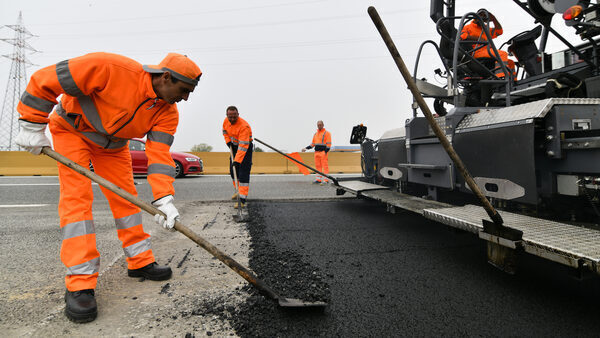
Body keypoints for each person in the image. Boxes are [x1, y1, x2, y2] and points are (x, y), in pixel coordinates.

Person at [15, 52, 202, 323]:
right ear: (165, 77)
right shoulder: (111, 68)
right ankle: (80, 283)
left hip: (114, 148)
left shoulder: (167, 113)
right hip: (72, 131)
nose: (185, 98)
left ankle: (139, 262)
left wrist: (164, 198)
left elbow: (160, 157)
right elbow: (46, 79)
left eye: (190, 93)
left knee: (127, 200)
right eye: (184, 90)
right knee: (77, 199)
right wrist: (31, 122)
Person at [460, 9, 515, 79]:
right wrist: (478, 39)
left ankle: (513, 81)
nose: (482, 17)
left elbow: (499, 31)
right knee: (502, 54)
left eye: (484, 16)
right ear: (476, 16)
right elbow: (462, 36)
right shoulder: (468, 27)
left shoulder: (485, 28)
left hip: (487, 51)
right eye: (480, 15)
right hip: (477, 51)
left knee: (510, 62)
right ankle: (501, 78)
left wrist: (494, 19)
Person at [222, 106, 253, 208]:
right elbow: (225, 132)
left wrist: (237, 161)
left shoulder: (244, 126)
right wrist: (228, 142)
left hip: (245, 148)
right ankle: (238, 191)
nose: (232, 119)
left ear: (238, 115)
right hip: (234, 147)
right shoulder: (226, 121)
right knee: (233, 171)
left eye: (234, 117)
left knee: (243, 173)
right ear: (227, 115)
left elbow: (243, 147)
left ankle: (242, 199)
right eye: (230, 117)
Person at [302, 120, 332, 184]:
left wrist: (325, 152)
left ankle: (326, 180)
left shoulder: (327, 133)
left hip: (323, 152)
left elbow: (329, 144)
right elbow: (312, 144)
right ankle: (318, 179)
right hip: (316, 153)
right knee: (318, 166)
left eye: (320, 125)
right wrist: (306, 148)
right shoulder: (315, 134)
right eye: (318, 125)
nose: (319, 126)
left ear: (323, 125)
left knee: (325, 166)